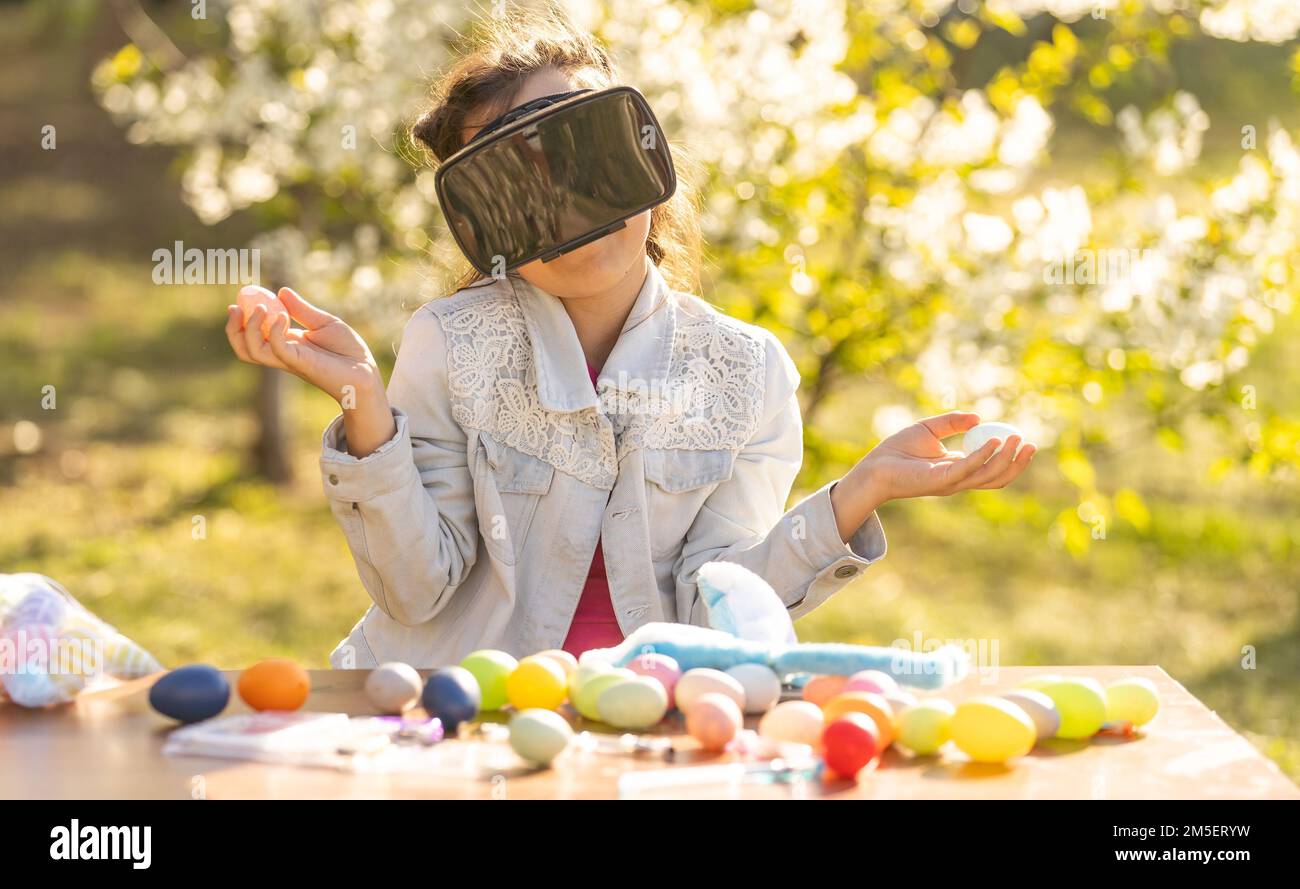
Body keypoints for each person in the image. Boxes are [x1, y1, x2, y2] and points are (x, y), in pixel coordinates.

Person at [223, 10, 1034, 668]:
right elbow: (416, 592)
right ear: (485, 225)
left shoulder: (748, 372)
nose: (571, 208)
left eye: (586, 154)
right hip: (458, 723)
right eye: (517, 186)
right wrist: (363, 401)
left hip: (650, 727)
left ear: (643, 157)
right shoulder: (447, 342)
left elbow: (717, 606)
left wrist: (859, 492)